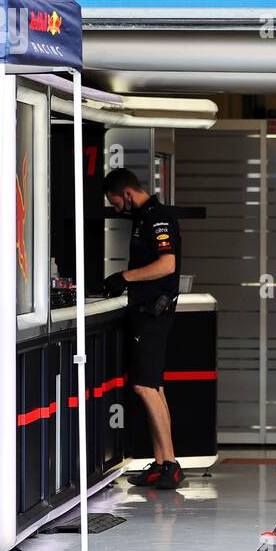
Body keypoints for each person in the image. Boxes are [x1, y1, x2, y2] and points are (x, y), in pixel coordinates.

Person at [101, 168, 185, 490]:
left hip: (153, 314)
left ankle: (171, 465)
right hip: (147, 313)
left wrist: (124, 277)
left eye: (116, 202)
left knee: (145, 388)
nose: (117, 209)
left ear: (127, 193)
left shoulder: (157, 217)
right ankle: (164, 461)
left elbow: (167, 264)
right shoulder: (143, 218)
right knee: (154, 387)